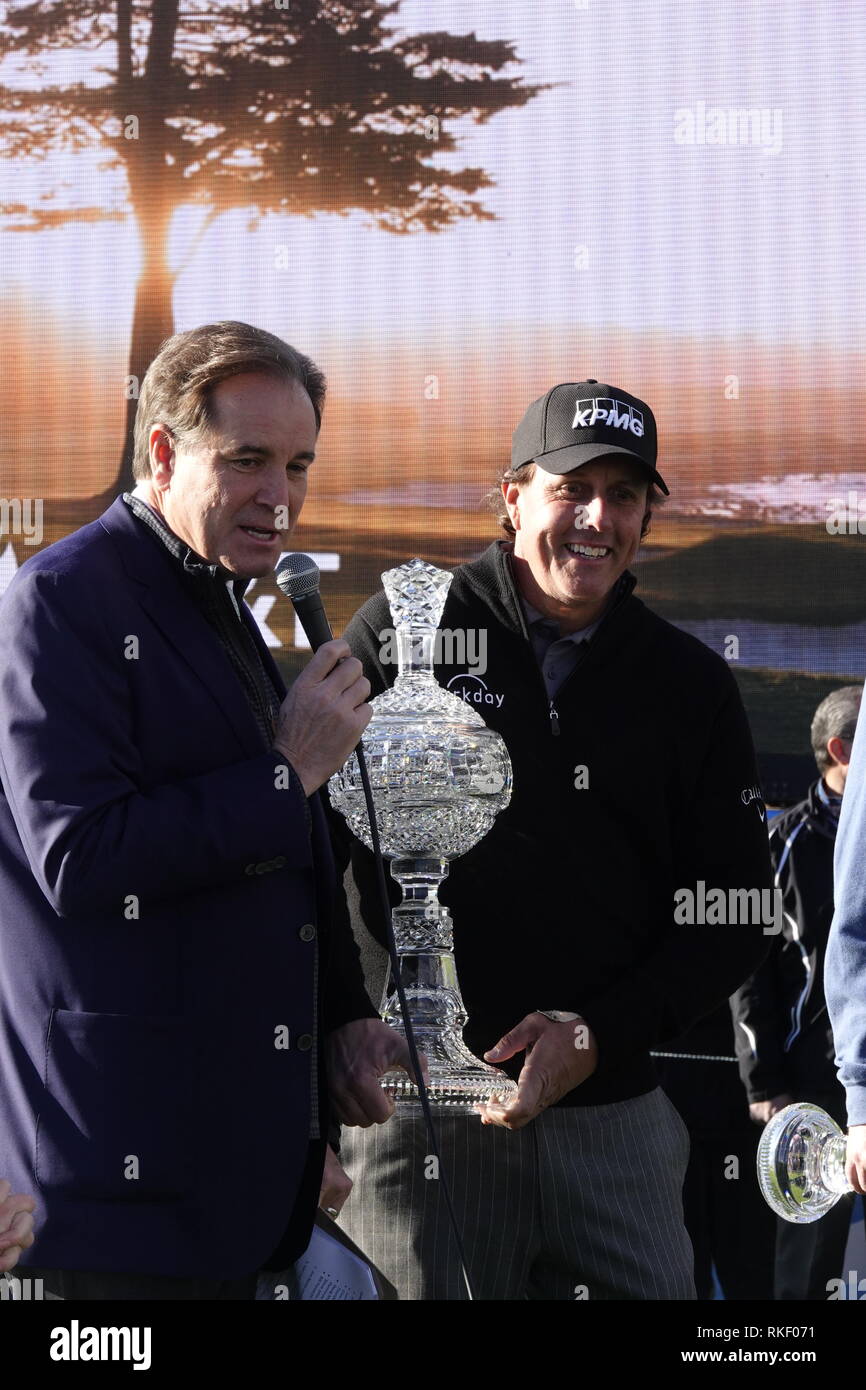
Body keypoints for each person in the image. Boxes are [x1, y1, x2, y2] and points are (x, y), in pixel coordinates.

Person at [329, 380, 773, 1300]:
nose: (597, 519)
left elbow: (735, 914)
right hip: (419, 1117)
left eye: (625, 495)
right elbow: (310, 851)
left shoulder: (689, 686)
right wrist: (342, 1016)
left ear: (649, 514)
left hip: (612, 1119)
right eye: (572, 488)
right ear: (514, 496)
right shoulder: (405, 632)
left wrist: (599, 1034)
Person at [0, 320, 413, 1300]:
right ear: (160, 452)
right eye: (248, 461)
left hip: (237, 1189)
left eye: (299, 464)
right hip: (113, 1196)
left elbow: (279, 865)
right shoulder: (59, 601)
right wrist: (286, 769)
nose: (281, 496)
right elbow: (82, 857)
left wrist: (345, 1023)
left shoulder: (223, 598)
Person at [732, 685, 861, 1298]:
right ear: (841, 750)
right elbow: (749, 971)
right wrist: (766, 1084)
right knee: (810, 1265)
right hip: (815, 1088)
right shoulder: (780, 846)